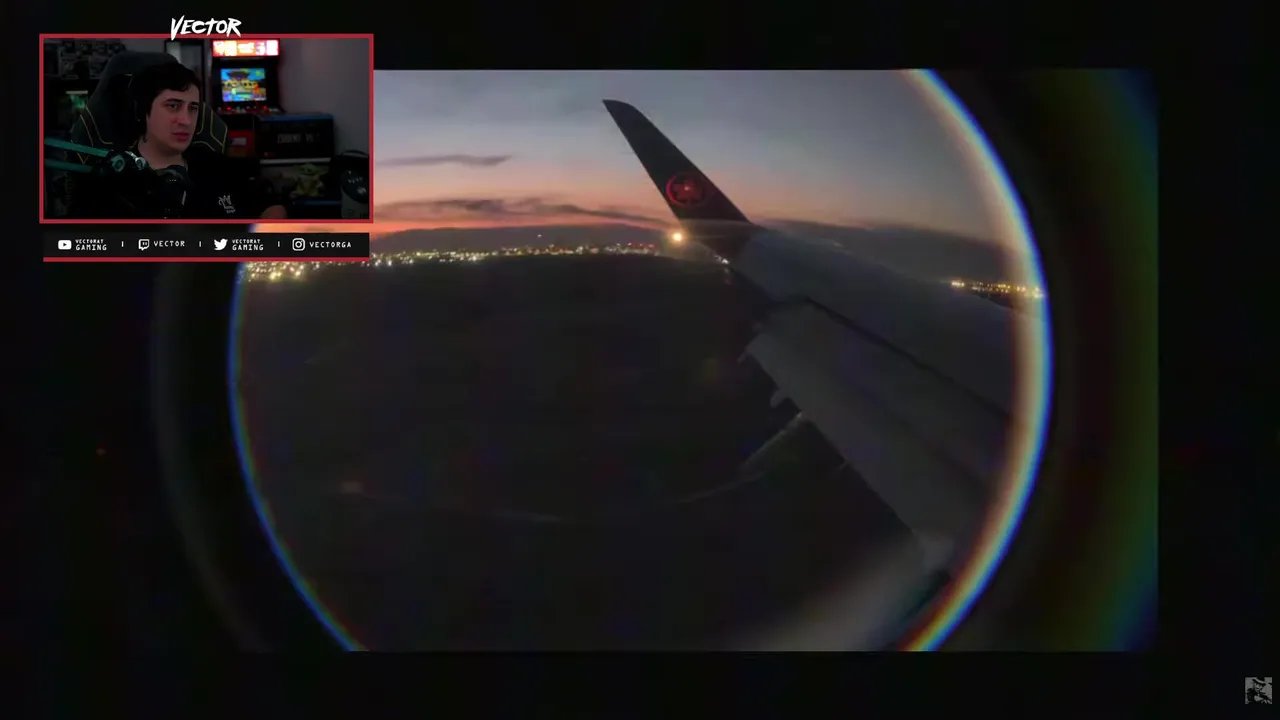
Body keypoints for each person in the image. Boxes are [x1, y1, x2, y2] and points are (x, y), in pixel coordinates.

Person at [67, 61, 287, 220]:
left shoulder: (217, 167)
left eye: (193, 109)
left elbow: (273, 207)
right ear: (143, 111)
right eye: (173, 106)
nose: (186, 121)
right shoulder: (106, 183)